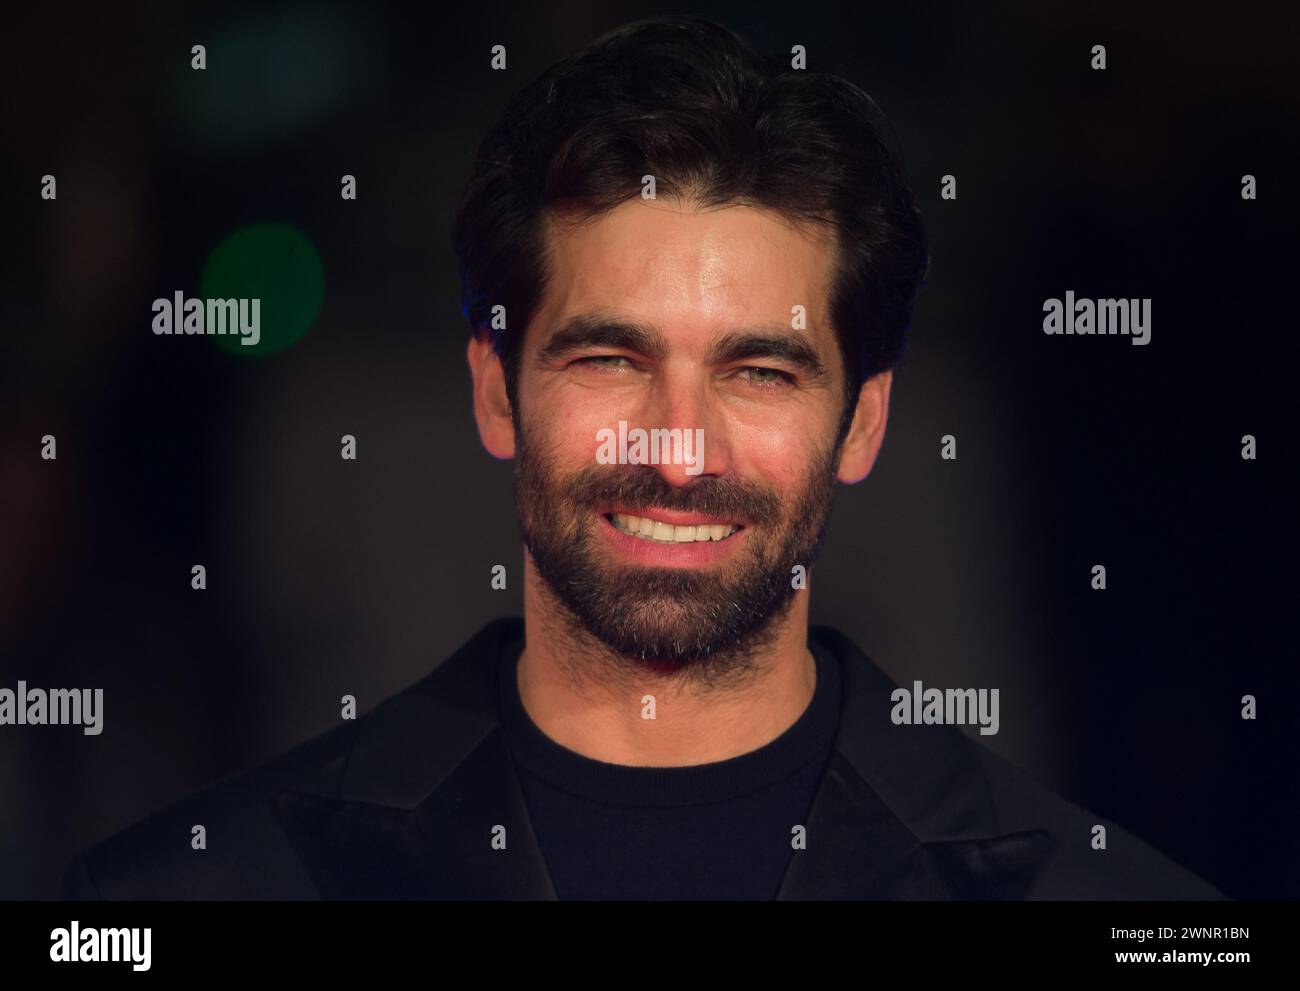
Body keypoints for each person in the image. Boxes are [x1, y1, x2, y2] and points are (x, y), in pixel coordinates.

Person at [63, 14, 1220, 901]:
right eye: (612, 358)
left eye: (758, 371)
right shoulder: (191, 892)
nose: (676, 448)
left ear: (863, 423)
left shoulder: (1110, 904)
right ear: (494, 389)